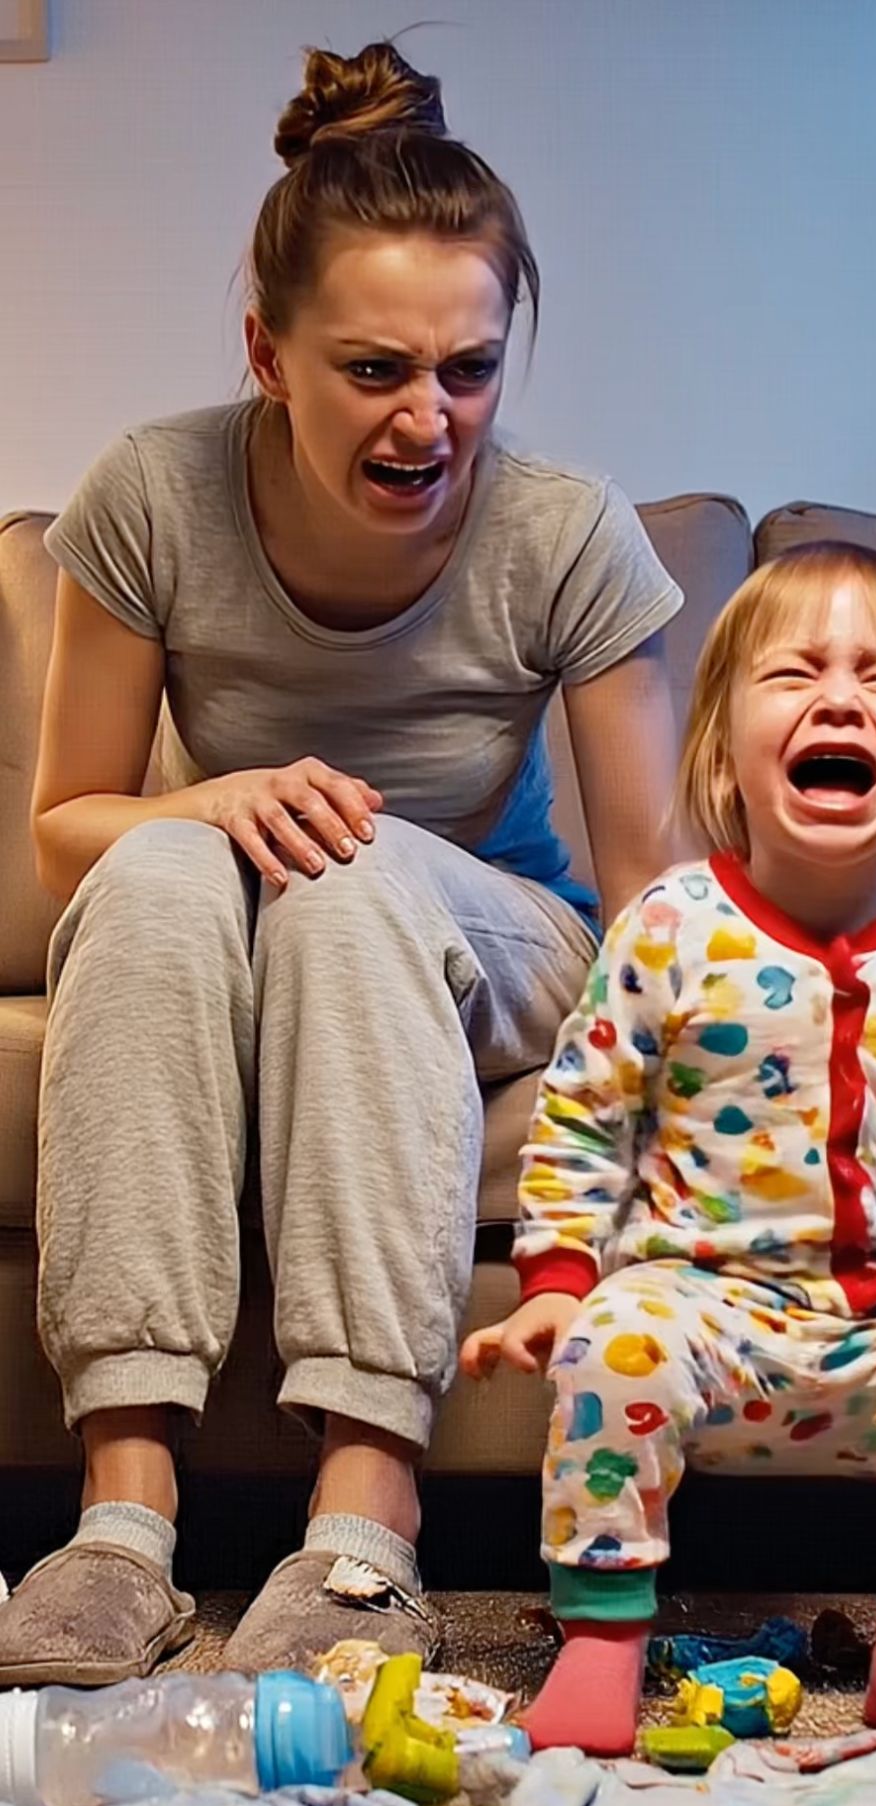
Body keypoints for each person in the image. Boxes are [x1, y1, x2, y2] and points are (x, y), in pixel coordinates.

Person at [0, 42, 684, 1686]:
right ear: (267, 353)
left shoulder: (564, 533)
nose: (426, 418)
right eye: (375, 369)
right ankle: (121, 1525)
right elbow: (70, 824)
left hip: (496, 938)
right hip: (232, 916)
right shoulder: (152, 493)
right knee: (161, 875)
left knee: (352, 874)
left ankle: (366, 1524)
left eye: (469, 369)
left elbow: (660, 902)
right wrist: (217, 802)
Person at [462, 540, 876, 1754]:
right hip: (701, 1318)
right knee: (611, 1343)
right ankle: (600, 1644)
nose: (838, 699)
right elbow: (583, 1114)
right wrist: (557, 1281)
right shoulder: (672, 924)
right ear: (721, 753)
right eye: (794, 674)